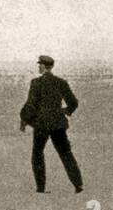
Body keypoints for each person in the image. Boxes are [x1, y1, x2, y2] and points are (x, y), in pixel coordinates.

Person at [20, 55, 83, 193]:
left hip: (41, 124)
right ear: (52, 67)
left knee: (37, 155)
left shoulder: (36, 83)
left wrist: (24, 119)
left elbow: (31, 105)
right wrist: (66, 110)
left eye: (39, 64)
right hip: (58, 124)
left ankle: (41, 188)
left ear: (43, 66)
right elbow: (73, 102)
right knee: (66, 154)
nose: (38, 67)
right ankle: (78, 185)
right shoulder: (61, 82)